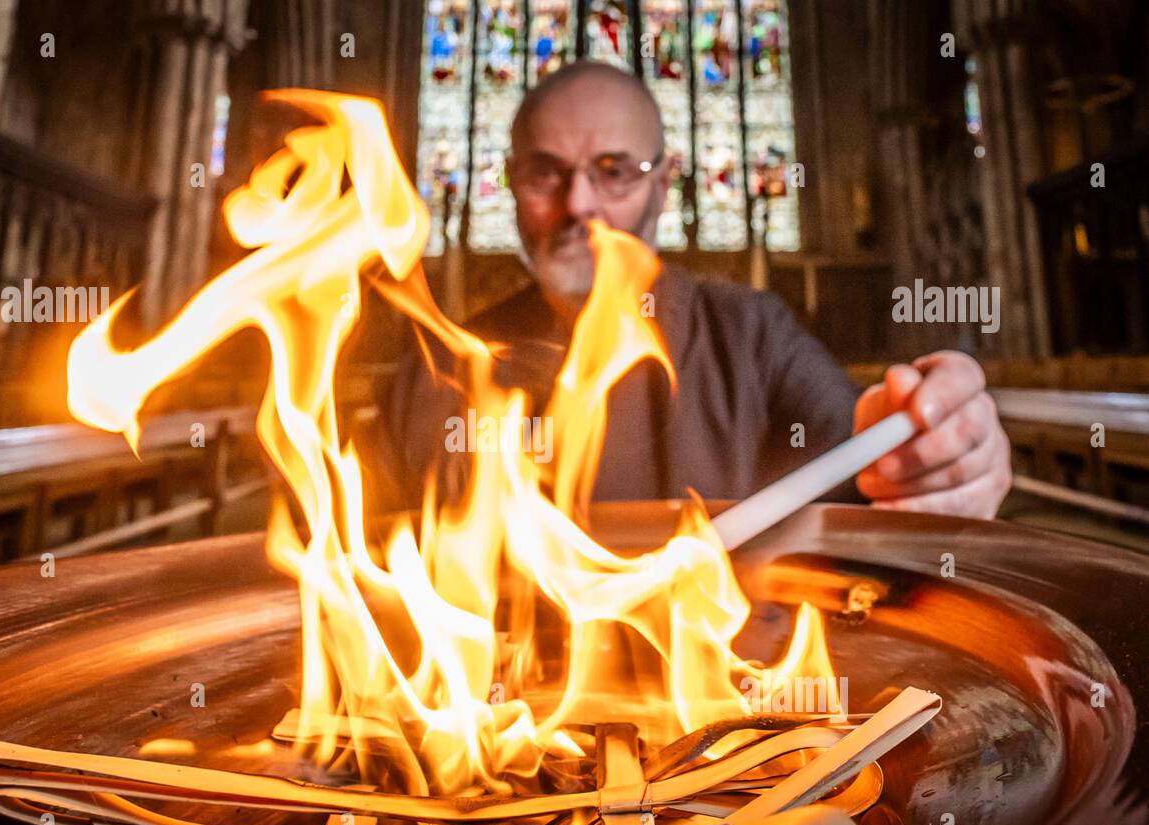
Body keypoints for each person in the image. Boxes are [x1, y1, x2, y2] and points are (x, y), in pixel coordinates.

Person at [369, 61, 1012, 520]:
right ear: (511, 183)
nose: (579, 204)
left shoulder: (755, 337)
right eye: (546, 172)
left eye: (614, 171)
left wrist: (935, 455)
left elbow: (864, 471)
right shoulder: (435, 369)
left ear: (664, 184)